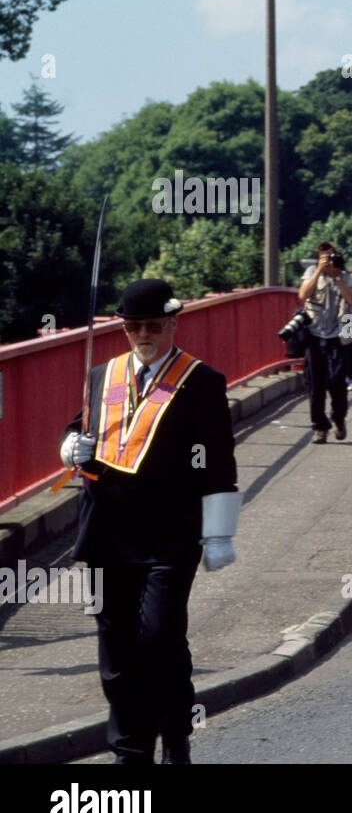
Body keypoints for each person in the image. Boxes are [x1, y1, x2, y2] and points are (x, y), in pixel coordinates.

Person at [58, 279, 239, 763]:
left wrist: (218, 530)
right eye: (134, 326)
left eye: (154, 326)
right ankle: (130, 750)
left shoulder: (201, 382)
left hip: (169, 535)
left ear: (172, 324)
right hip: (106, 533)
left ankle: (175, 737)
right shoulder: (104, 375)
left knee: (159, 637)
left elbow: (216, 459)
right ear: (123, 328)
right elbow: (83, 427)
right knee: (116, 650)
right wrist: (70, 444)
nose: (144, 335)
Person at [298, 241, 352, 442]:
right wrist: (319, 272)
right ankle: (320, 427)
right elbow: (303, 295)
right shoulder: (311, 272)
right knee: (315, 384)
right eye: (324, 256)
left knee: (337, 382)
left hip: (341, 334)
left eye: (331, 255)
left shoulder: (345, 275)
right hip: (314, 333)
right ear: (318, 257)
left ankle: (338, 419)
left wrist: (338, 277)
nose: (328, 259)